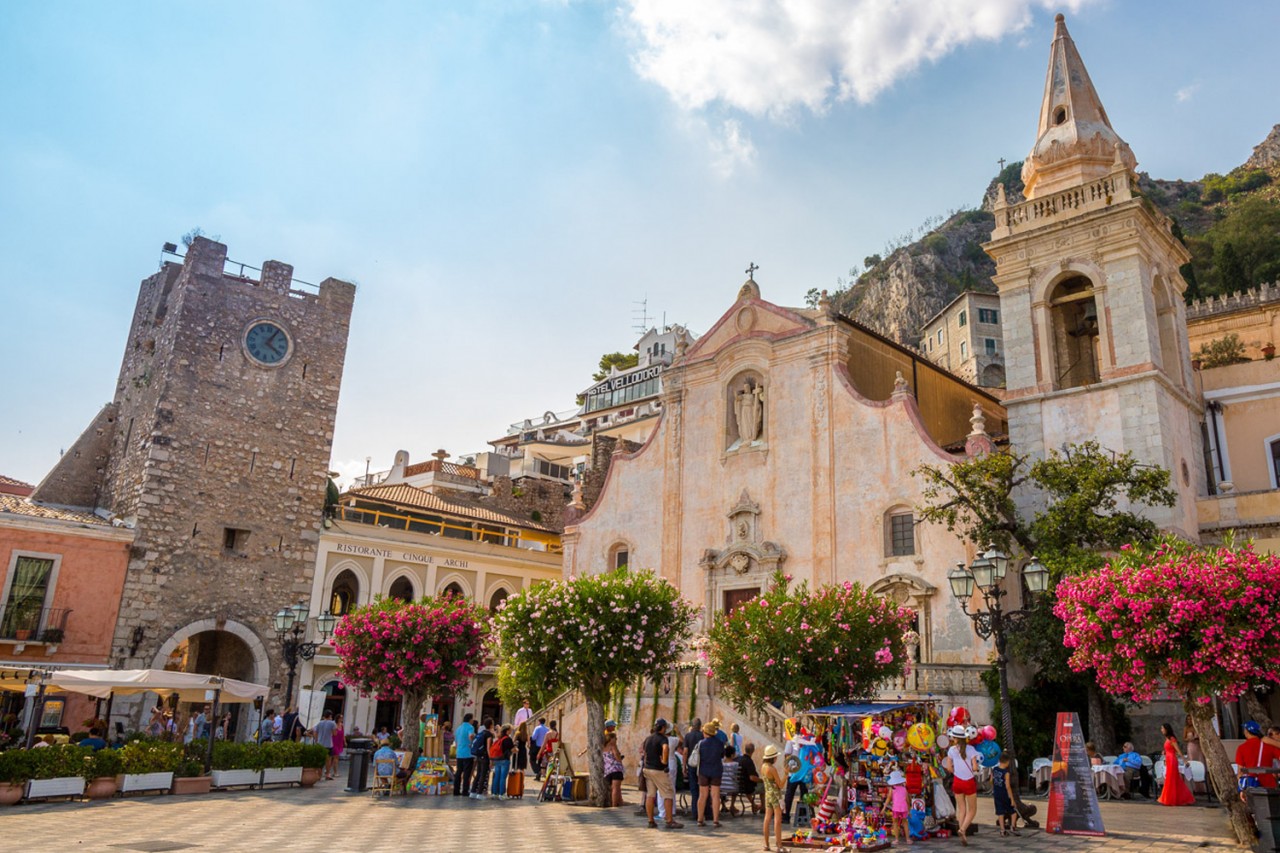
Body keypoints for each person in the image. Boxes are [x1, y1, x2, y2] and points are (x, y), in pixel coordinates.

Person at [943, 725, 980, 846]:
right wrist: (976, 769)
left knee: (962, 808)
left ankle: (962, 833)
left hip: (957, 781)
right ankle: (963, 829)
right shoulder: (971, 749)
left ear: (955, 738)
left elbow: (948, 768)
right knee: (972, 809)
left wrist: (956, 771)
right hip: (969, 781)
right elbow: (974, 767)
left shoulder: (952, 750)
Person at [642, 718, 683, 829]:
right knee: (668, 794)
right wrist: (664, 761)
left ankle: (651, 820)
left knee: (650, 795)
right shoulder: (663, 739)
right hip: (659, 770)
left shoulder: (648, 738)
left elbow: (644, 752)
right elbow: (665, 748)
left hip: (648, 769)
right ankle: (669, 820)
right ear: (663, 728)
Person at [1236, 721, 1280, 795]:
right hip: (1269, 783)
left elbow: (1240, 772)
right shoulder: (1268, 745)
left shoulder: (1241, 748)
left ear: (1246, 731)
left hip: (1251, 785)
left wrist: (1241, 790)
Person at [1158, 722, 1195, 806]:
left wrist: (1184, 760)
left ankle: (1172, 798)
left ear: (1166, 729)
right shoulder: (1167, 738)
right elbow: (1169, 749)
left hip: (1172, 760)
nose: (1161, 730)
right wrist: (1165, 752)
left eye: (1162, 728)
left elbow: (1177, 750)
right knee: (1172, 779)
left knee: (1171, 779)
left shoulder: (1172, 738)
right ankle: (1173, 798)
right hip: (1168, 758)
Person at [696, 720, 724, 827]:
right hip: (716, 770)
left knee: (702, 795)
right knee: (715, 796)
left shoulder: (701, 743)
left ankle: (700, 819)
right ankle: (716, 820)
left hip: (703, 771)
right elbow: (721, 756)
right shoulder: (719, 743)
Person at [761, 744, 785, 852]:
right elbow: (780, 785)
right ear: (773, 758)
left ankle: (766, 845)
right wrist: (786, 774)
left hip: (768, 795)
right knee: (777, 820)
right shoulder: (772, 769)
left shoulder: (763, 767)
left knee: (767, 819)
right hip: (775, 796)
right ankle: (779, 845)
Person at [993, 751, 1019, 837]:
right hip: (1005, 794)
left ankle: (1002, 830)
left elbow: (991, 780)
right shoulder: (1006, 773)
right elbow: (1007, 786)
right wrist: (1012, 799)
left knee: (1000, 812)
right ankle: (1013, 827)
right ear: (1007, 762)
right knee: (1013, 810)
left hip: (996, 793)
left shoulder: (995, 770)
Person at [684, 718, 704, 822]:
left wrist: (684, 766)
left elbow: (685, 752)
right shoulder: (702, 736)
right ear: (700, 726)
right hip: (702, 765)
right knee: (703, 790)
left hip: (691, 764)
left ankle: (695, 813)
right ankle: (704, 812)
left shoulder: (688, 736)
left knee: (694, 789)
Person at [471, 716, 494, 799]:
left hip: (479, 756)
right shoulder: (489, 734)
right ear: (491, 725)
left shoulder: (481, 733)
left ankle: (473, 791)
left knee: (478, 774)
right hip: (485, 756)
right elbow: (488, 747)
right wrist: (491, 759)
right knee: (483, 775)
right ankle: (480, 793)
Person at [887, 768, 911, 846]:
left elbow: (888, 799)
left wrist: (884, 808)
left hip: (895, 808)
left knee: (895, 823)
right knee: (905, 823)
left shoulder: (892, 789)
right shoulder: (904, 789)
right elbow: (907, 800)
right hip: (904, 808)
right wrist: (909, 809)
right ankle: (908, 839)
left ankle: (896, 839)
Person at [453, 713, 476, 796]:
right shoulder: (470, 727)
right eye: (472, 719)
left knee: (459, 771)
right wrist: (474, 739)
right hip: (468, 752)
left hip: (459, 752)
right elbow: (470, 736)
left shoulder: (458, 728)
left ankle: (456, 790)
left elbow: (456, 741)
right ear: (470, 719)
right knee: (467, 773)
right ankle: (465, 791)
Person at [489, 723, 513, 800]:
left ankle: (494, 793)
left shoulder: (499, 738)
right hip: (505, 760)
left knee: (497, 777)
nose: (511, 731)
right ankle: (501, 794)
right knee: (503, 777)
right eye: (510, 730)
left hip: (497, 759)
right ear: (507, 731)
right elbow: (512, 749)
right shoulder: (508, 739)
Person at [313, 710, 338, 780]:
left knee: (320, 759)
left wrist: (316, 740)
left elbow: (315, 732)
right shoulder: (332, 723)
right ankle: (327, 773)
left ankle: (319, 774)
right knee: (328, 760)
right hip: (328, 744)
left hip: (320, 743)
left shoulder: (319, 723)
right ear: (330, 716)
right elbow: (335, 734)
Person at [603, 731, 625, 807]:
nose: (616, 739)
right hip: (616, 769)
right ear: (611, 739)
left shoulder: (603, 747)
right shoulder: (613, 746)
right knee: (616, 788)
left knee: (615, 788)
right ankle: (614, 805)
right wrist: (620, 759)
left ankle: (620, 802)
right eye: (615, 738)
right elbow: (616, 756)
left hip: (607, 771)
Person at [739, 742, 761, 814]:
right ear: (753, 751)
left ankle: (754, 805)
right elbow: (752, 778)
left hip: (741, 786)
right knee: (764, 786)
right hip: (748, 787)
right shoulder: (748, 761)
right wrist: (762, 780)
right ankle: (763, 807)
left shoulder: (740, 760)